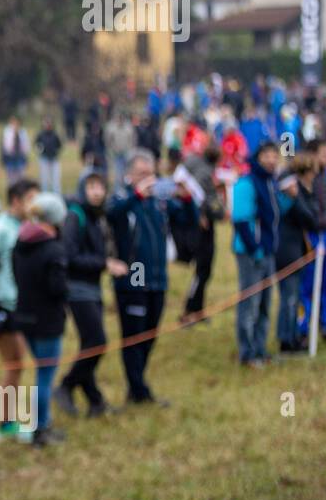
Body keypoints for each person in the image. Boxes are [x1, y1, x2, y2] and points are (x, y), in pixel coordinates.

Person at [107, 149, 192, 402]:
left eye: (151, 173)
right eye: (142, 174)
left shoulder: (159, 200)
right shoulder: (122, 197)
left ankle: (137, 384)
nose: (148, 179)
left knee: (151, 333)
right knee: (134, 334)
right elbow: (112, 214)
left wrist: (187, 199)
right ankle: (138, 390)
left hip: (158, 276)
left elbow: (187, 220)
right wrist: (136, 195)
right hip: (135, 275)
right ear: (130, 175)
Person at [55, 169, 126, 418]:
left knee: (90, 345)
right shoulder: (76, 216)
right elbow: (69, 256)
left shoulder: (96, 216)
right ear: (82, 188)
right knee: (97, 342)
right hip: (77, 290)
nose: (97, 192)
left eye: (100, 187)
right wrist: (104, 263)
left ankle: (95, 401)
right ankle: (66, 385)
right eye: (91, 187)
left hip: (92, 288)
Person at [0, 178, 39, 442]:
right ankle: (5, 424)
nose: (35, 205)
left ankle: (9, 420)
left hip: (19, 304)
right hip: (0, 306)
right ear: (16, 200)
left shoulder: (24, 227)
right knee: (14, 363)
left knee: (17, 364)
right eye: (31, 199)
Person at [12, 191, 69, 447]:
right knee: (45, 377)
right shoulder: (53, 249)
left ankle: (41, 424)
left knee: (41, 373)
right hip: (47, 321)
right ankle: (40, 428)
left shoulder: (21, 243)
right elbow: (57, 288)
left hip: (24, 317)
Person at [231, 141, 282, 367]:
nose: (272, 160)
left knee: (265, 303)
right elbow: (240, 220)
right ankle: (247, 352)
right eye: (267, 155)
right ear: (259, 157)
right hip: (251, 253)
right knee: (250, 302)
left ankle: (260, 348)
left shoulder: (271, 182)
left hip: (268, 251)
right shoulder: (247, 182)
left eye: (275, 156)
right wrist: (255, 248)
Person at [179, 143, 225, 323]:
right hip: (201, 229)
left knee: (204, 271)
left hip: (200, 225)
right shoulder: (204, 171)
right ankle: (190, 310)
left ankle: (197, 309)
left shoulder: (196, 163)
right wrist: (203, 213)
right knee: (202, 270)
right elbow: (198, 193)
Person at [299, 138, 326, 342]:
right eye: (323, 153)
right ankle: (304, 328)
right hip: (311, 236)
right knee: (308, 285)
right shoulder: (303, 178)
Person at [275, 164, 317, 353]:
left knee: (292, 298)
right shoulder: (286, 204)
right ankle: (286, 340)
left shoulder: (287, 202)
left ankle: (291, 335)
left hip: (293, 253)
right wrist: (298, 197)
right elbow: (310, 219)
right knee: (289, 298)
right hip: (287, 255)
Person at [35, 117, 63, 195]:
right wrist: (40, 151)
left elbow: (59, 145)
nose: (47, 125)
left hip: (54, 159)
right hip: (44, 159)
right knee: (44, 180)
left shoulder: (55, 135)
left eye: (49, 123)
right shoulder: (40, 135)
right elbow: (36, 145)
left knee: (56, 180)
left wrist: (56, 152)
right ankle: (45, 195)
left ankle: (57, 195)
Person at [1, 115, 30, 185]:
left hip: (20, 157)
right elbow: (4, 145)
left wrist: (26, 155)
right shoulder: (7, 132)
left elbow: (26, 145)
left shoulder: (22, 132)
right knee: (11, 178)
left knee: (21, 177)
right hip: (10, 157)